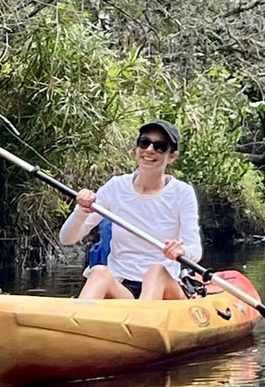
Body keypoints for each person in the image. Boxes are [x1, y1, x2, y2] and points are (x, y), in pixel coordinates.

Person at [59, 119, 201, 301]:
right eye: (144, 143)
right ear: (137, 148)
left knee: (156, 272)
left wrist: (181, 251)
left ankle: (142, 316)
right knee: (99, 272)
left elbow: (195, 250)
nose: (150, 150)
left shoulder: (182, 193)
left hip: (165, 287)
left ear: (172, 156)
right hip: (123, 288)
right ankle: (80, 317)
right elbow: (67, 239)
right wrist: (81, 210)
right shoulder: (115, 187)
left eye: (160, 146)